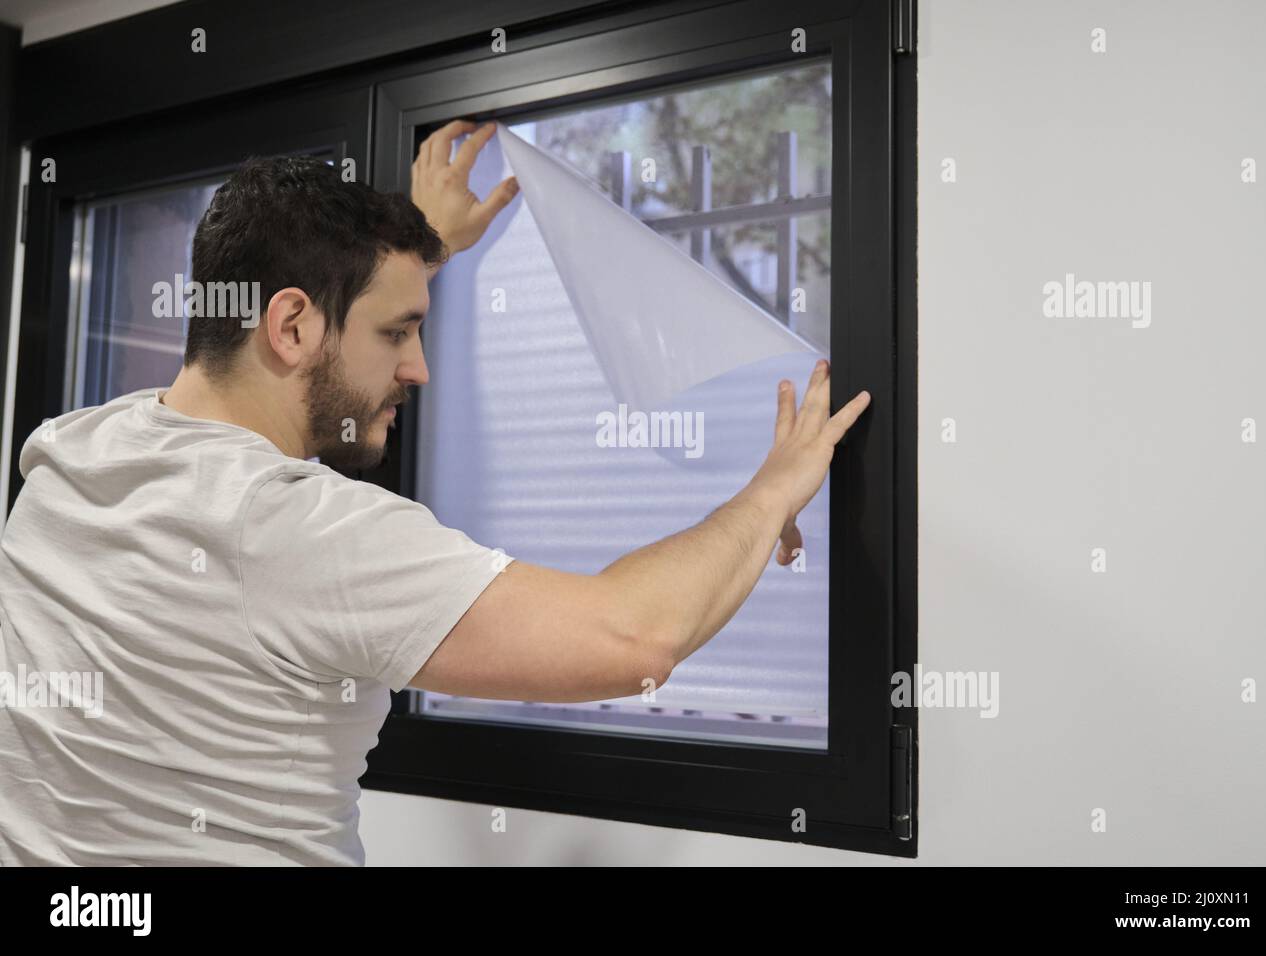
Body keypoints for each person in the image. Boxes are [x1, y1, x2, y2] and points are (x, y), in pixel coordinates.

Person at [0, 120, 870, 865]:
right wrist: (768, 493)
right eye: (398, 331)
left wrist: (416, 248)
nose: (417, 367)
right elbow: (633, 639)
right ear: (292, 325)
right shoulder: (298, 530)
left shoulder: (76, 452)